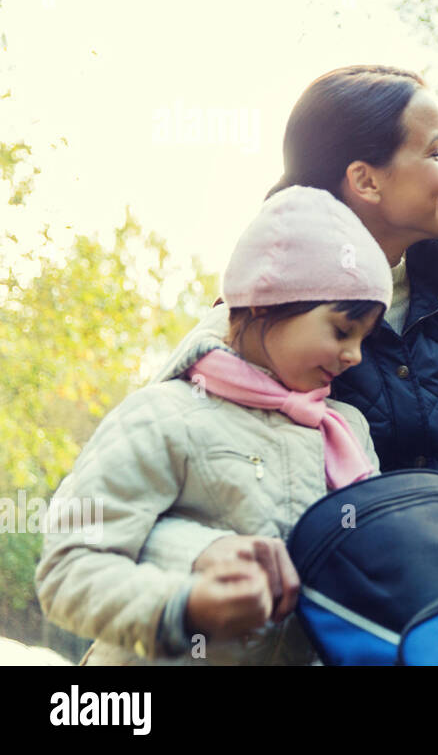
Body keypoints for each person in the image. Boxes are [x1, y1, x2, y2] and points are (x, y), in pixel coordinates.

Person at [143, 66, 438, 578]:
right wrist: (211, 563)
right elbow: (146, 494)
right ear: (366, 178)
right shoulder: (260, 322)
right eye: (436, 151)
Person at [36, 187, 391, 664]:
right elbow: (67, 571)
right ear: (265, 304)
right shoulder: (162, 415)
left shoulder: (347, 432)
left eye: (364, 338)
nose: (354, 356)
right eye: (342, 331)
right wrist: (184, 606)